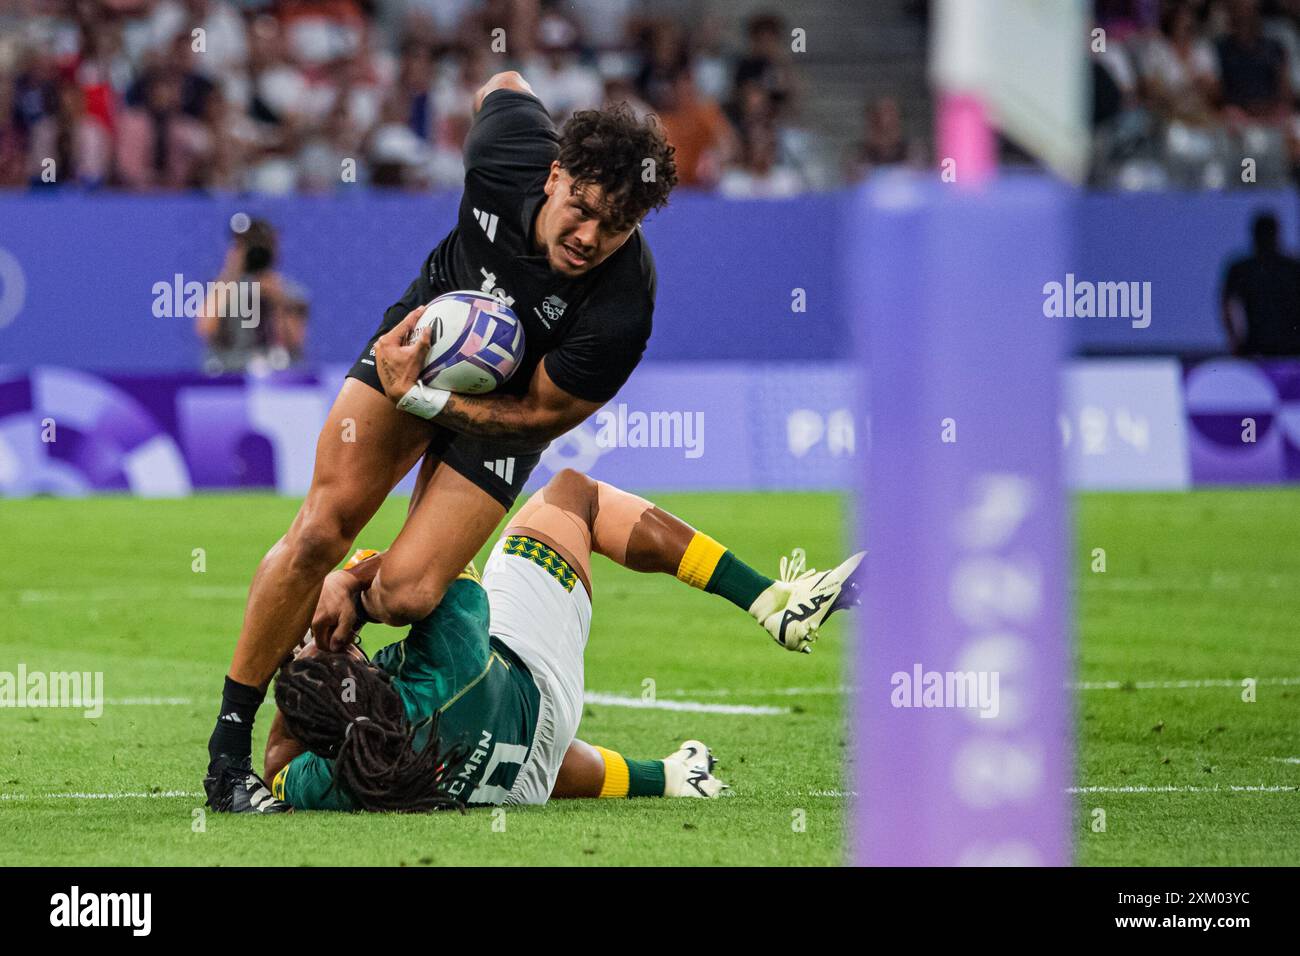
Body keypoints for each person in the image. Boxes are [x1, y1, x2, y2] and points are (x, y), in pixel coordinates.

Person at [203, 71, 680, 811]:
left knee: (408, 592)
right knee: (318, 531)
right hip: (416, 345)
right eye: (580, 209)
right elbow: (503, 81)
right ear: (554, 175)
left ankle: (356, 608)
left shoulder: (624, 305)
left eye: (612, 227)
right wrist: (412, 381)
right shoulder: (507, 148)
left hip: (504, 407)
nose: (588, 237)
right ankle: (228, 755)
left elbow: (540, 419)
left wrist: (425, 401)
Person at [228, 469, 864, 813]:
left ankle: (669, 778)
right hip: (535, 683)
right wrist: (354, 584)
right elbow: (435, 575)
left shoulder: (327, 781)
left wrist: (298, 675)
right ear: (359, 673)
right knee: (572, 496)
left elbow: (279, 762)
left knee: (502, 757)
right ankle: (770, 601)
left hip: (509, 776)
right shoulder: (443, 673)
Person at [1221, 211, 1300, 356]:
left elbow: (1226, 307)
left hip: (1265, 347)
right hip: (1269, 348)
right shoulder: (1292, 267)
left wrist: (1235, 340)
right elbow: (1227, 306)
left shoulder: (1243, 268)